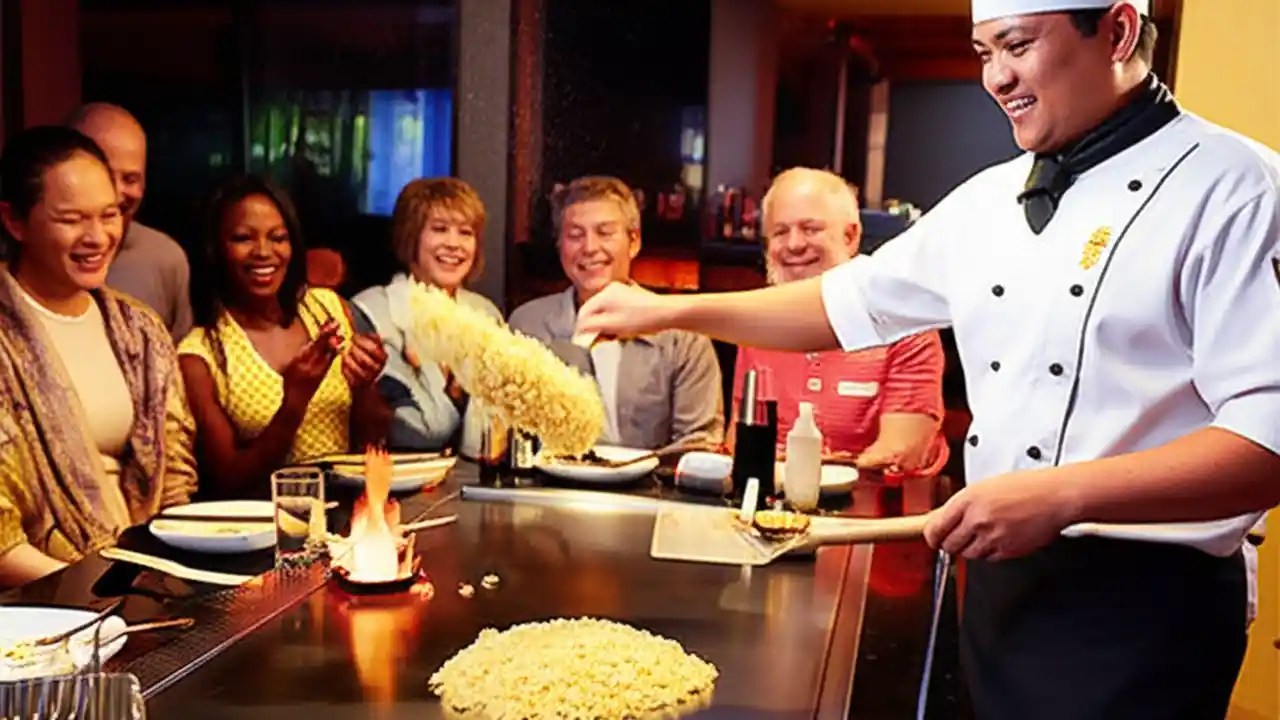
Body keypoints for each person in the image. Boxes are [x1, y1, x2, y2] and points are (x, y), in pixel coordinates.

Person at [575, 1, 1280, 717]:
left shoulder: (1238, 188)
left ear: (1120, 32)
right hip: (1003, 590)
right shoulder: (991, 200)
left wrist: (1062, 494)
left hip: (1149, 608)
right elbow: (840, 305)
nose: (996, 78)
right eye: (982, 53)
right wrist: (667, 308)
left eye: (1017, 45)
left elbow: (1268, 441)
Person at [0, 127, 197, 588]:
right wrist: (103, 591)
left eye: (109, 215)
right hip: (36, 608)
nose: (98, 236)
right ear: (14, 221)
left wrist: (173, 579)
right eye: (71, 219)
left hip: (142, 583)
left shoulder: (140, 330)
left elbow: (174, 485)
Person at [178, 177, 389, 499]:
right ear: (216, 249)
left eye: (278, 237)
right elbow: (227, 483)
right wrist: (294, 403)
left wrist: (364, 386)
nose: (264, 252)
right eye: (243, 238)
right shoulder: (200, 354)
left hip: (346, 512)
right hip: (262, 528)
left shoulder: (325, 309)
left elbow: (372, 444)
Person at [731, 168, 947, 474]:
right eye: (780, 232)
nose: (793, 244)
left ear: (850, 236)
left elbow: (897, 457)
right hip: (773, 511)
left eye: (810, 229)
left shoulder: (904, 324)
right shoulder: (759, 326)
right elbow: (739, 447)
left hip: (873, 513)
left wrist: (801, 467)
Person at [509, 176, 723, 450]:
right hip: (548, 487)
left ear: (633, 242)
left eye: (605, 233)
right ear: (559, 246)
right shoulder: (527, 326)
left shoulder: (683, 336)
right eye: (575, 235)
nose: (589, 248)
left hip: (650, 490)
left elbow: (699, 443)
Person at [352, 178, 502, 457]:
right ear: (411, 236)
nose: (454, 245)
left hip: (475, 481)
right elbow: (422, 429)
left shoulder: (487, 315)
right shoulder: (370, 312)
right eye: (440, 229)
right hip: (397, 481)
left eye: (466, 233)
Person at [67, 103, 193, 339]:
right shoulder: (36, 257)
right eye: (103, 175)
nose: (114, 193)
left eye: (130, 179)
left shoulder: (164, 258)